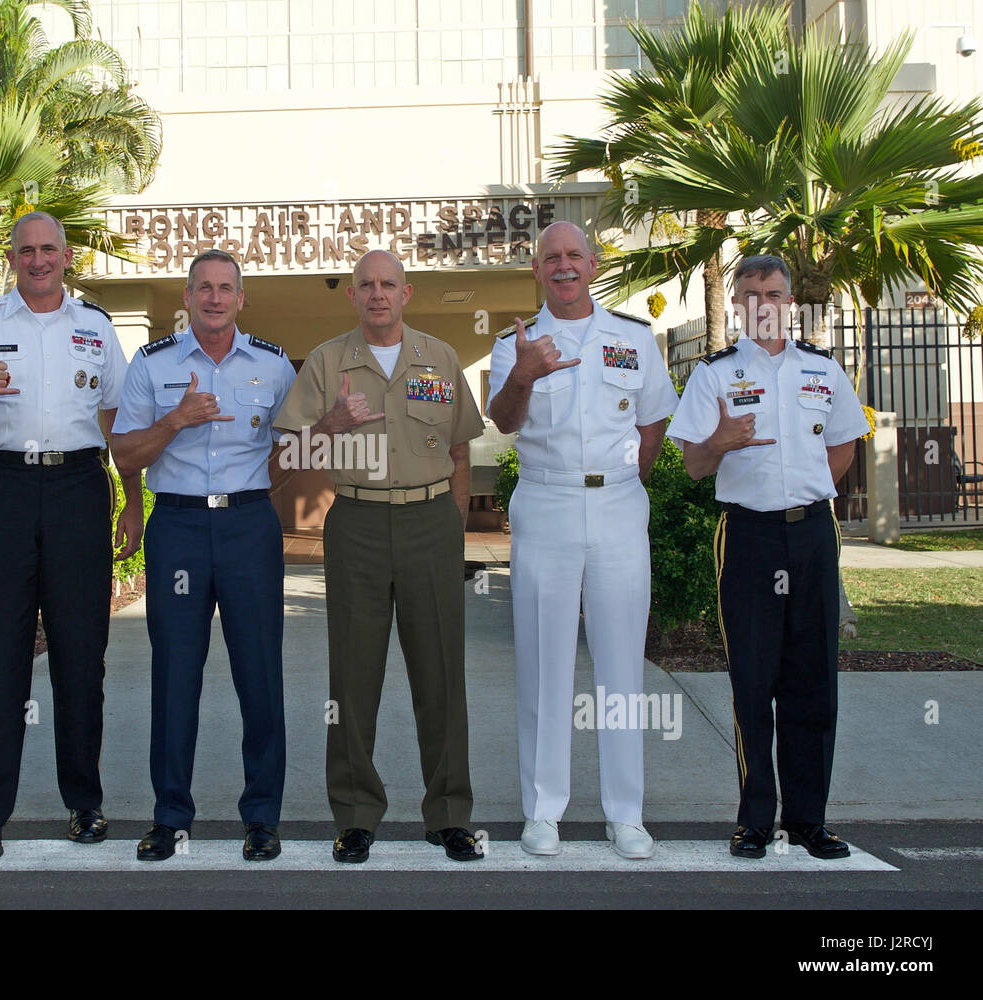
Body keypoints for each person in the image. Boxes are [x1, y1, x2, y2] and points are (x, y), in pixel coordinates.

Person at [0, 212, 144, 864]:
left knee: (82, 656)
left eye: (50, 249)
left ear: (67, 256)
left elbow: (118, 424)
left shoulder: (96, 328)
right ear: (12, 257)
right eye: (27, 250)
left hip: (79, 488)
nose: (39, 259)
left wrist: (132, 502)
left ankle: (85, 804)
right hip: (5, 491)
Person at [274, 249, 487, 864]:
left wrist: (450, 525)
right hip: (358, 522)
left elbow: (459, 455)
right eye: (365, 284)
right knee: (353, 676)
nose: (376, 294)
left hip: (430, 522)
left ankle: (449, 815)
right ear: (353, 296)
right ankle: (356, 814)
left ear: (407, 293)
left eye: (388, 284)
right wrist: (332, 424)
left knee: (442, 673)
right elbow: (290, 457)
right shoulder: (326, 361)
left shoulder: (441, 358)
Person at [665, 254, 868, 860]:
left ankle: (809, 820)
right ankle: (755, 819)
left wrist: (802, 498)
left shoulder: (823, 370)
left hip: (810, 537)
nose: (763, 304)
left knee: (814, 681)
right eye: (750, 295)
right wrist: (721, 442)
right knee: (753, 682)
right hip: (748, 539)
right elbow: (694, 466)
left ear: (789, 302)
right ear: (736, 305)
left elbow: (843, 451)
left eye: (774, 293)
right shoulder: (714, 375)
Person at [488, 221, 678, 860]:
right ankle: (543, 809)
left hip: (620, 502)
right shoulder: (514, 340)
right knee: (544, 661)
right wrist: (523, 376)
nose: (563, 266)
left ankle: (626, 813)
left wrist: (625, 482)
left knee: (622, 660)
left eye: (574, 255)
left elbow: (652, 420)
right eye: (551, 258)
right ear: (536, 271)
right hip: (546, 501)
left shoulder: (632, 338)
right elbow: (506, 421)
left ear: (592, 264)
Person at [110, 249, 295, 862]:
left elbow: (288, 450)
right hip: (179, 529)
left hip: (248, 527)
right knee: (175, 673)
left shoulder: (272, 366)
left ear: (241, 299)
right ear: (185, 298)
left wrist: (254, 495)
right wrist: (177, 421)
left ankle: (262, 816)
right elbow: (127, 455)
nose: (215, 299)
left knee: (259, 673)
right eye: (203, 289)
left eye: (226, 289)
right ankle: (169, 816)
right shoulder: (151, 363)